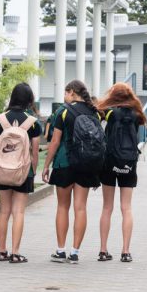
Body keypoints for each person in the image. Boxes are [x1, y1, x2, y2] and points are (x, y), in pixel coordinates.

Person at [40, 80, 101, 264]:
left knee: (62, 207)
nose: (64, 97)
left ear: (72, 92)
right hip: (86, 164)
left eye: (65, 93)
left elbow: (55, 141)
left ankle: (61, 251)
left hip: (64, 162)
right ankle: (75, 253)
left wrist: (46, 165)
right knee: (80, 208)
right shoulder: (93, 112)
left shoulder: (63, 111)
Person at [0, 82, 41, 264]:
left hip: (2, 169)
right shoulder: (33, 123)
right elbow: (34, 152)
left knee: (4, 211)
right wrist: (32, 171)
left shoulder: (0, 120)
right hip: (22, 171)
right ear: (29, 99)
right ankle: (15, 253)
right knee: (18, 212)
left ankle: (2, 251)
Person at [96, 82, 146, 263]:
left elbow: (96, 113)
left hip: (110, 161)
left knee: (107, 207)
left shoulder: (109, 112)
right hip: (129, 162)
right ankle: (125, 252)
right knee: (126, 208)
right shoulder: (137, 114)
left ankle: (103, 250)